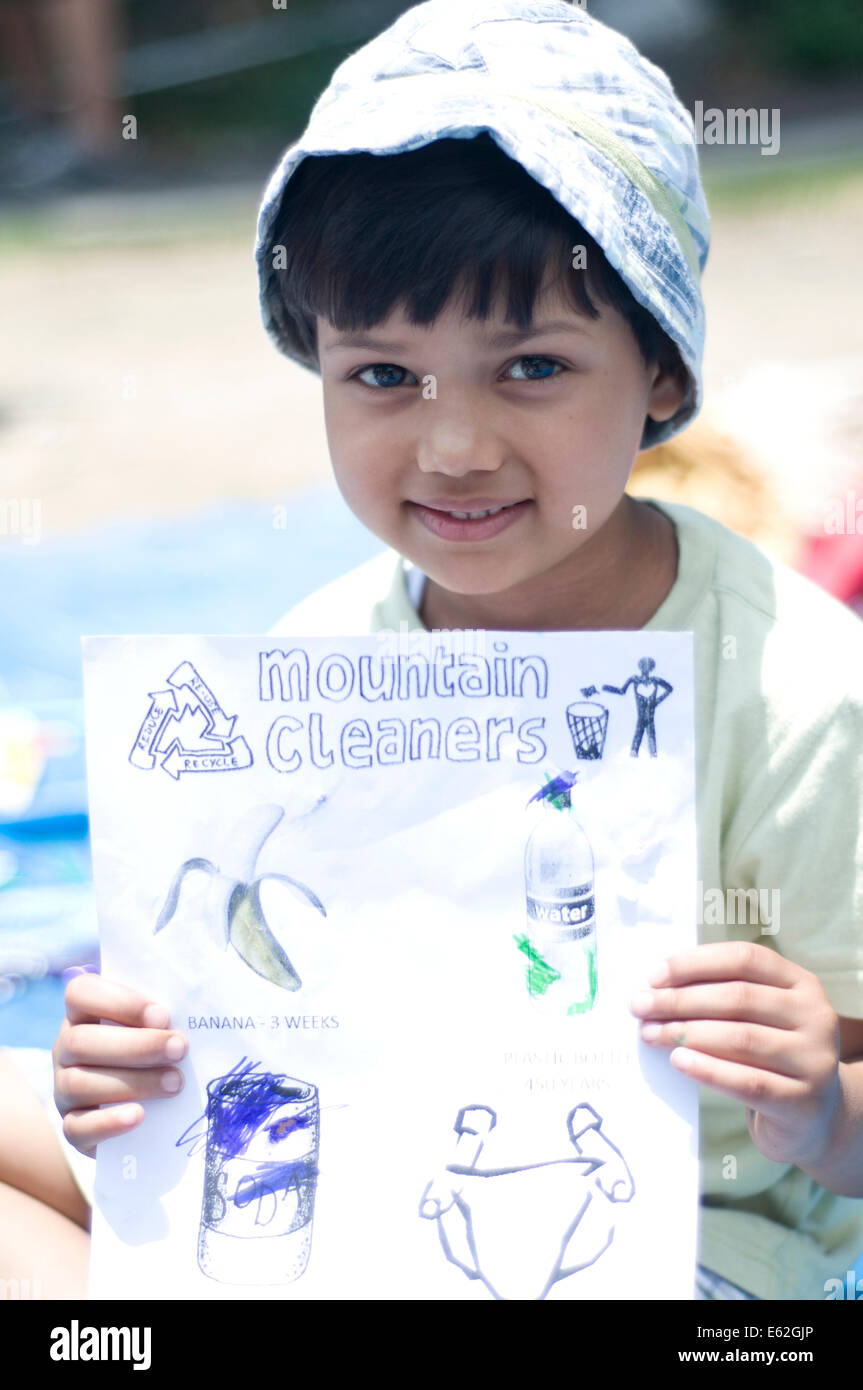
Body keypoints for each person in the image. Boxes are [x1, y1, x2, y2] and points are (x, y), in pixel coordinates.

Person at [4, 0, 863, 1302]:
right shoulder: (316, 667)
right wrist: (126, 1067)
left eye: (528, 366)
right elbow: (237, 1018)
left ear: (664, 376)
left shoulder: (796, 691)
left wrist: (821, 1106)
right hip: (330, 1193)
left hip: (665, 1244)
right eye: (383, 377)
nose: (451, 444)